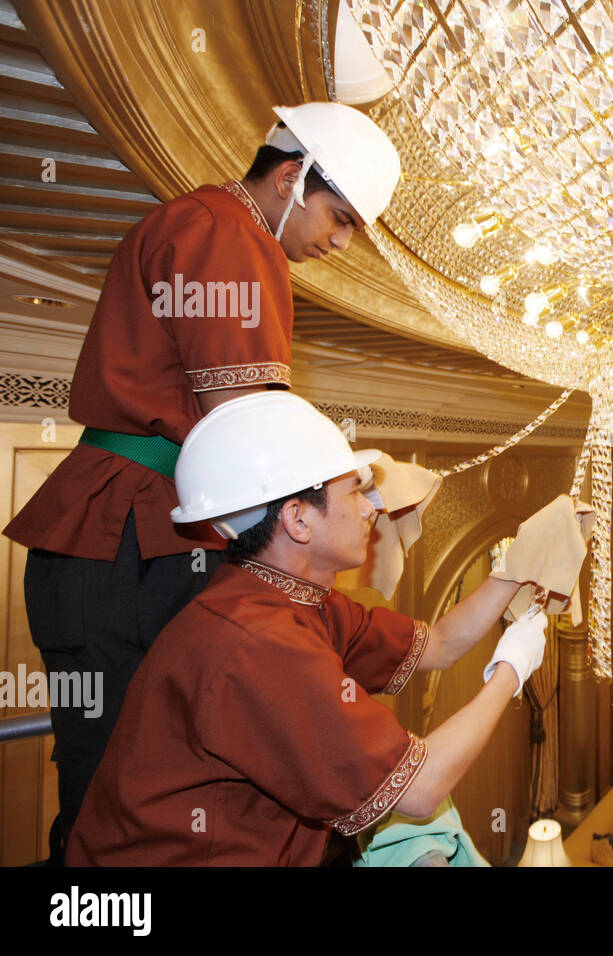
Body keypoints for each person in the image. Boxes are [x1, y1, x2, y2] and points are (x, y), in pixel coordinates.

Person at [5, 101, 402, 862]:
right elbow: (247, 430)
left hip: (125, 539)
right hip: (134, 539)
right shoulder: (231, 234)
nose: (341, 242)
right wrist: (352, 479)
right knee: (119, 797)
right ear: (291, 177)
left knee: (125, 777)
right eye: (340, 216)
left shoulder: (206, 224)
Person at [66, 393, 577, 865]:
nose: (369, 509)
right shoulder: (258, 642)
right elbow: (420, 789)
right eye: (354, 492)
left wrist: (514, 573)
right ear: (298, 520)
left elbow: (439, 645)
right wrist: (512, 667)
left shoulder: (292, 597)